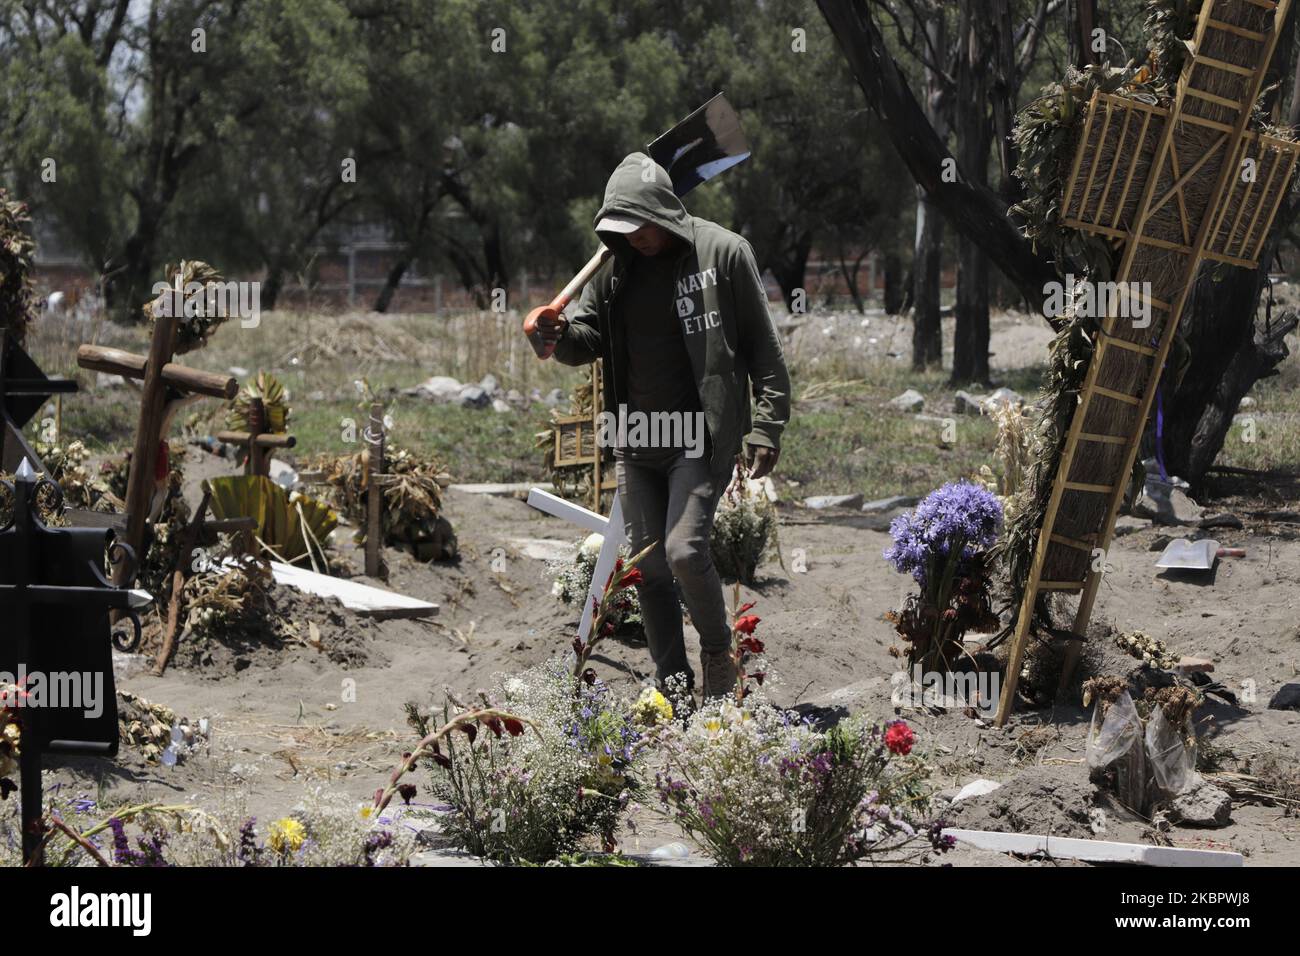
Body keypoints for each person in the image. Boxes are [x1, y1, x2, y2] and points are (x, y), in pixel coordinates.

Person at [530, 152, 790, 701]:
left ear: (664, 214)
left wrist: (767, 425)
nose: (635, 239)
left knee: (684, 551)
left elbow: (765, 349)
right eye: (621, 230)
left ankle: (719, 653)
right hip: (636, 439)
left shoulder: (722, 254)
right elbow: (587, 339)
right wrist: (552, 337)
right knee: (646, 568)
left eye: (640, 227)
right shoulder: (614, 267)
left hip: (700, 436)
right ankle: (672, 684)